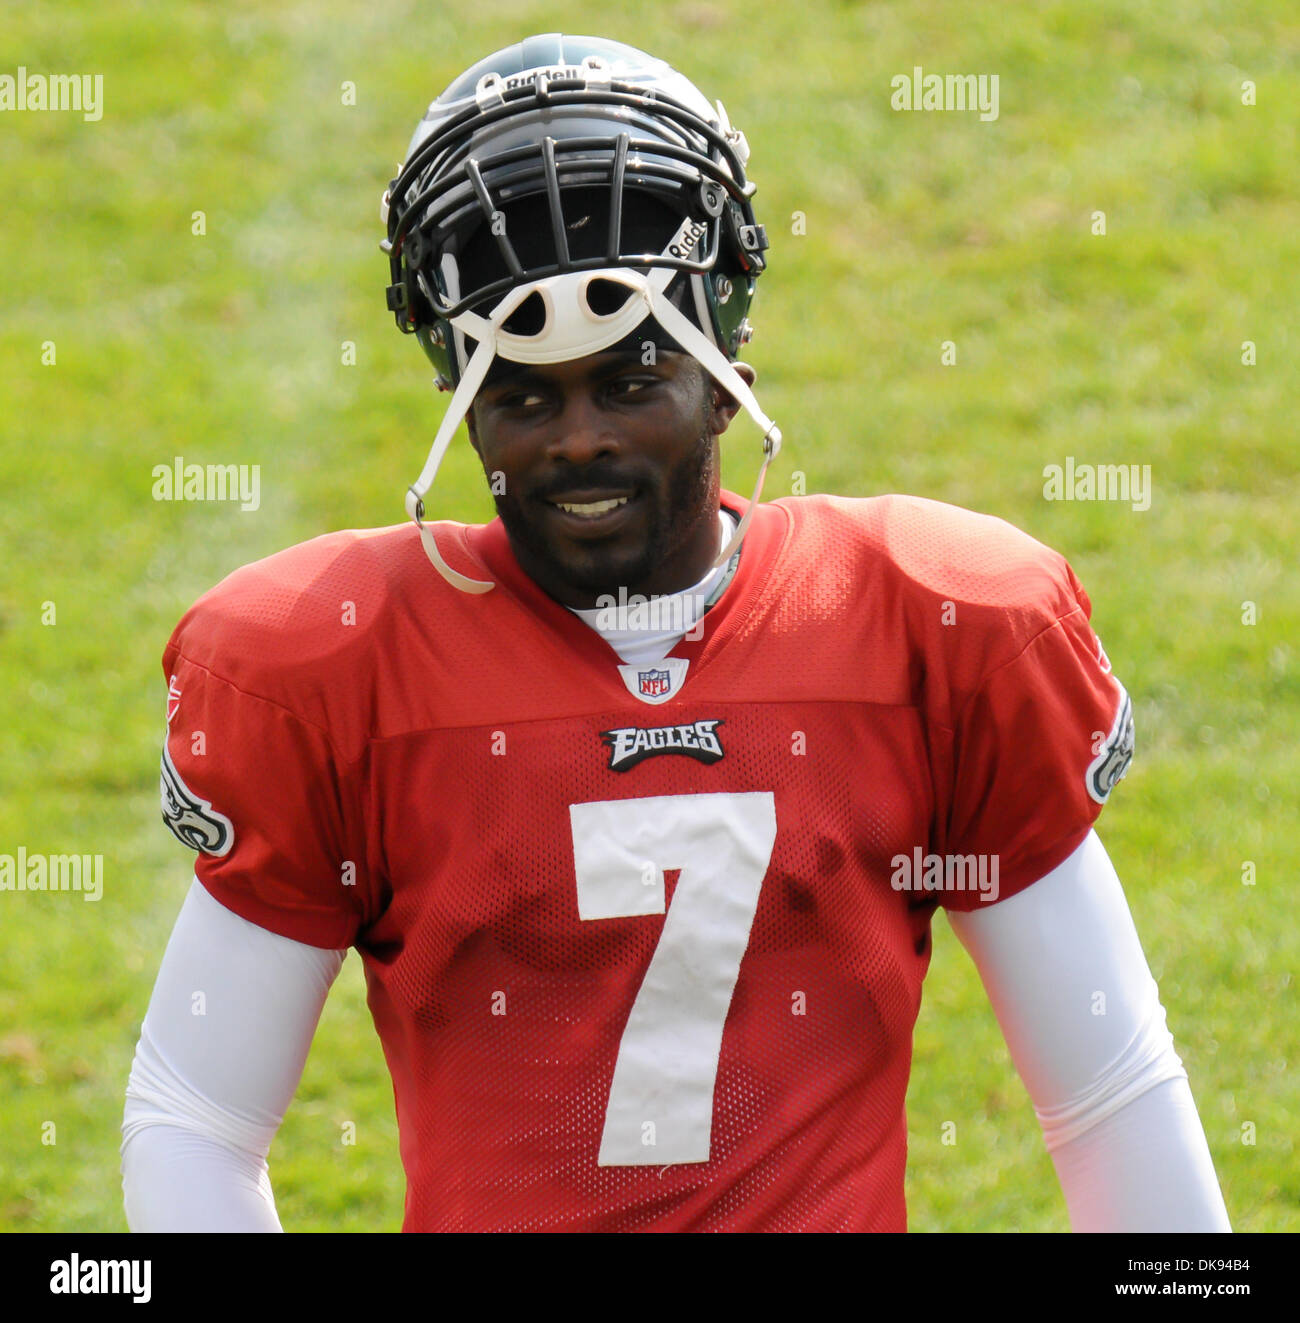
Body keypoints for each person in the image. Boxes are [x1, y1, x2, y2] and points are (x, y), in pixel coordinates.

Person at [122, 32, 1231, 1232]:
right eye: (526, 396)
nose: (578, 438)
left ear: (723, 368)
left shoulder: (936, 628)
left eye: (630, 379)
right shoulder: (332, 671)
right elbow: (196, 1118)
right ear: (462, 403)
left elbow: (1109, 1089)